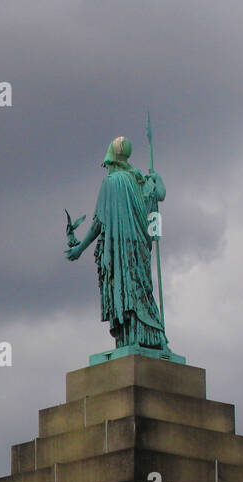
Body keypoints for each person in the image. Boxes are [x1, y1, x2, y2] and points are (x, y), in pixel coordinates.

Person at [66, 136, 168, 352]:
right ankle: (150, 336)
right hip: (139, 248)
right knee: (141, 290)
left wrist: (80, 249)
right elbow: (160, 194)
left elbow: (98, 223)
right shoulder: (141, 180)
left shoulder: (110, 183)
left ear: (111, 160)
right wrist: (158, 178)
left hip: (120, 250)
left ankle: (131, 339)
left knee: (125, 292)